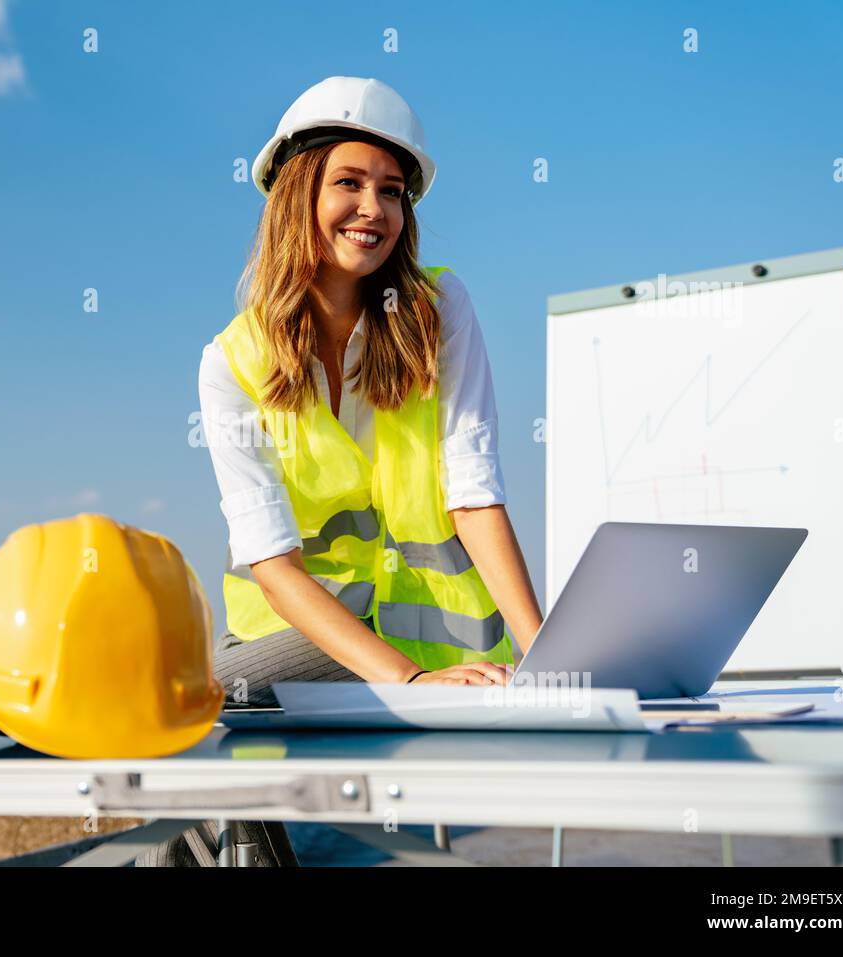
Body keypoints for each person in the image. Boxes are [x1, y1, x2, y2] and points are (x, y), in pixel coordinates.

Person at [137, 76, 544, 867]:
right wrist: (404, 681)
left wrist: (553, 662)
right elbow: (275, 567)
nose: (374, 209)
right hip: (298, 650)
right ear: (297, 196)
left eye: (391, 191)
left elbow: (475, 493)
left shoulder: (438, 310)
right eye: (349, 183)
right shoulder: (230, 364)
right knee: (194, 706)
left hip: (433, 648)